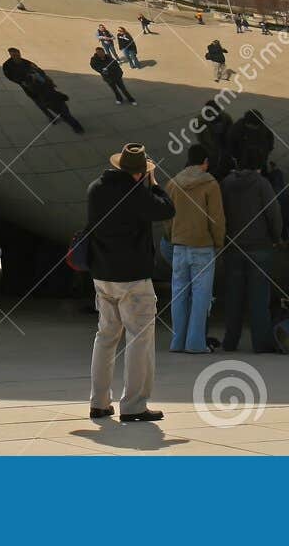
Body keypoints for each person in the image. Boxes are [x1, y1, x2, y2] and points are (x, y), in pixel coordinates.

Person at [83, 143, 175, 422]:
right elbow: (167, 210)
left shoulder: (95, 188)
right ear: (139, 173)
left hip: (102, 275)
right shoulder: (136, 194)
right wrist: (155, 185)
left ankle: (99, 402)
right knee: (139, 339)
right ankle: (134, 404)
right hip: (133, 278)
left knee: (106, 336)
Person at [220, 153, 282, 353]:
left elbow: (219, 213)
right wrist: (276, 237)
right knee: (259, 300)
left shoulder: (226, 184)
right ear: (258, 167)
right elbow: (273, 213)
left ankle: (230, 341)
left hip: (233, 248)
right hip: (259, 248)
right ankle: (261, 343)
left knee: (233, 299)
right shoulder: (262, 184)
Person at [166, 145, 225, 354]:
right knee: (201, 296)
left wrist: (172, 236)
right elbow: (216, 218)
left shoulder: (173, 184)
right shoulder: (210, 184)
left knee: (178, 294)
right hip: (202, 247)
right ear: (205, 162)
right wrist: (218, 242)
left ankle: (177, 341)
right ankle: (195, 342)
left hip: (179, 247)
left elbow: (167, 219)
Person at [2, 48, 84, 133]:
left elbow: (39, 70)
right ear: (11, 55)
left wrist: (47, 80)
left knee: (53, 105)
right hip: (31, 89)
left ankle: (65, 117)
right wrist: (23, 81)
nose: (17, 56)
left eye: (17, 54)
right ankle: (51, 116)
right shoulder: (7, 65)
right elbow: (10, 76)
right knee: (41, 104)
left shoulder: (26, 62)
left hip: (45, 88)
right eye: (14, 55)